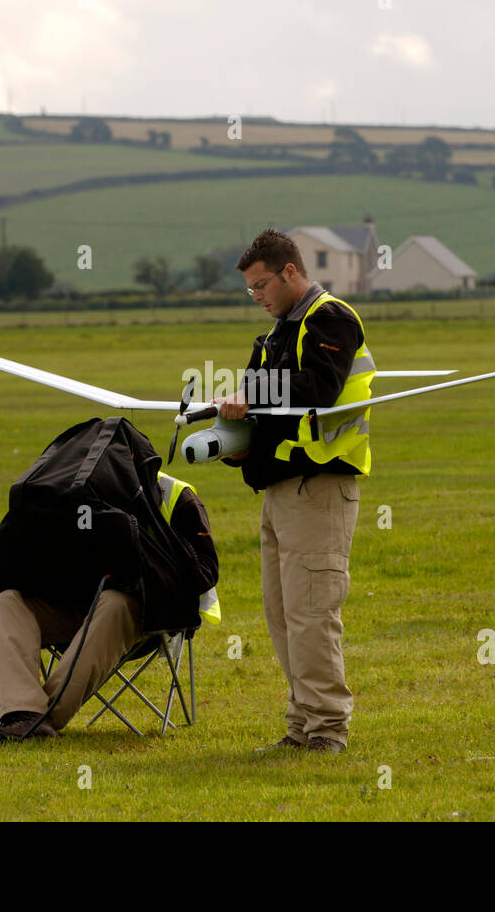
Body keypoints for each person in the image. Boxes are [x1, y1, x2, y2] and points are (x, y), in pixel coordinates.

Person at [215, 228, 374, 754]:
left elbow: (317, 390)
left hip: (320, 485)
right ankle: (302, 725)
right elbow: (266, 420)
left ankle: (327, 728)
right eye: (250, 291)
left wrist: (249, 393)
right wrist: (237, 445)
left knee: (312, 613)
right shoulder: (276, 335)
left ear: (290, 272)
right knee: (282, 614)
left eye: (262, 285)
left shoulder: (330, 318)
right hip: (280, 489)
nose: (257, 297)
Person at [0, 470, 219, 742]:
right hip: (71, 606)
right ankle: (22, 712)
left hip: (148, 615)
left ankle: (36, 720)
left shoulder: (175, 495)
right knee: (6, 602)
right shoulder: (61, 486)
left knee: (115, 601)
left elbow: (205, 572)